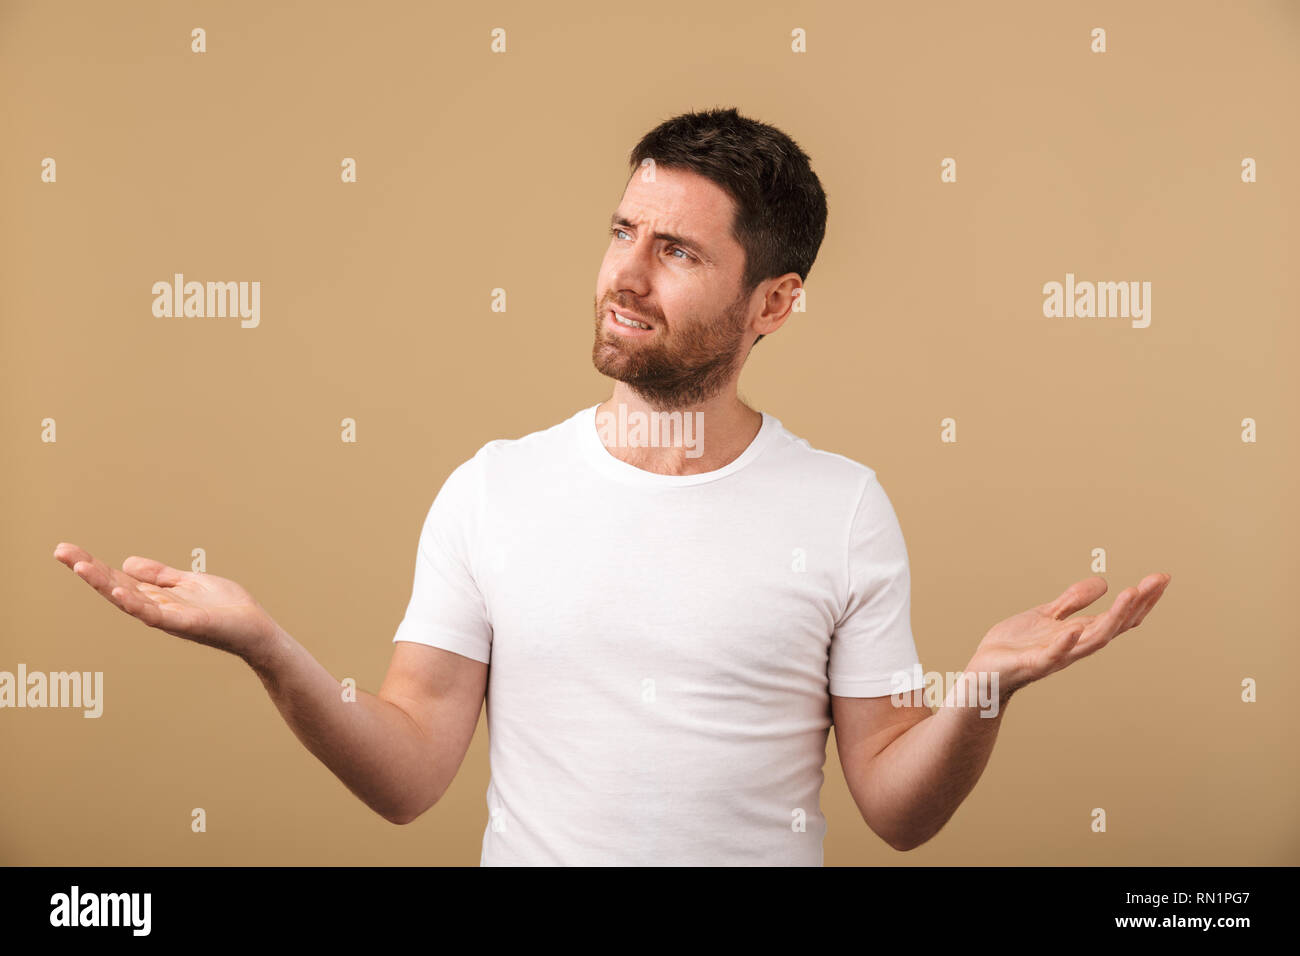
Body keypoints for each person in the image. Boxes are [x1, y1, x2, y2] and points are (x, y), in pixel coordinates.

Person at [53, 107, 1171, 866]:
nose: (625, 278)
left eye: (678, 252)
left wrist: (982, 687)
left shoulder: (839, 506)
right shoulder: (493, 489)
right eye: (622, 232)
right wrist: (267, 645)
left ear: (773, 303)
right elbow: (406, 774)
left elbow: (894, 807)